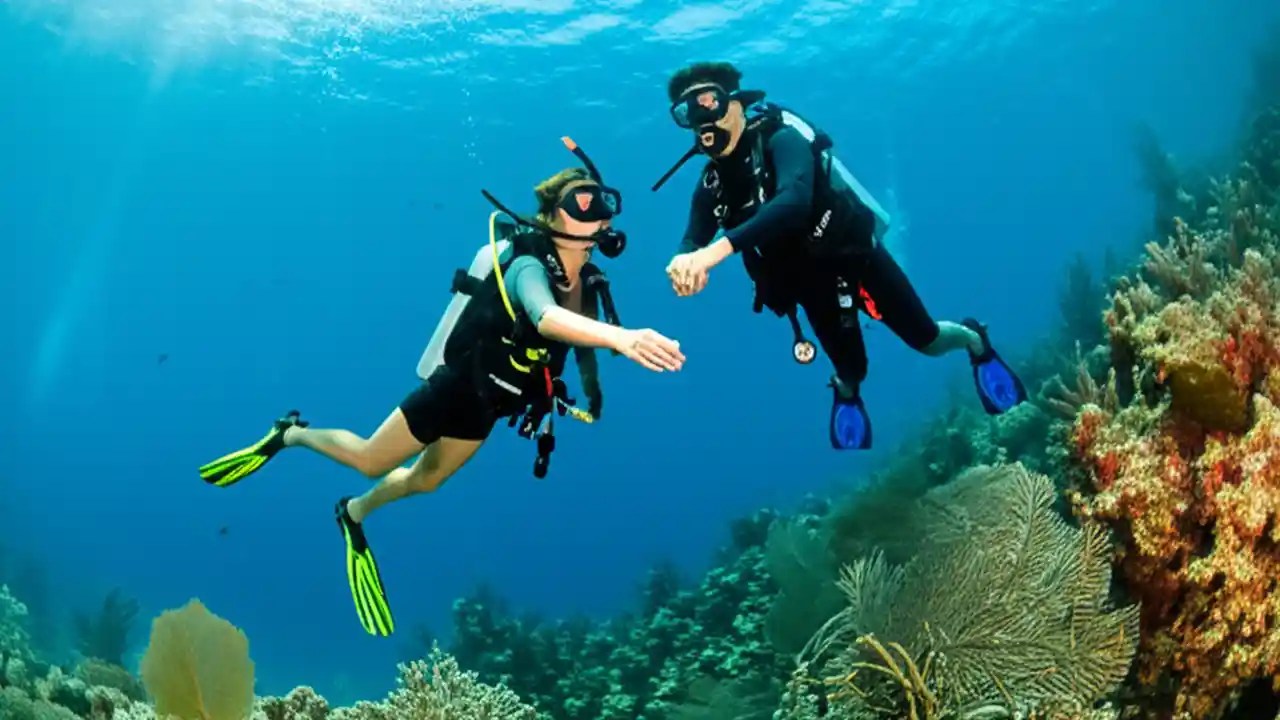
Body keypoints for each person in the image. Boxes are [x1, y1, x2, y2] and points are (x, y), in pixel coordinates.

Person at [197, 138, 686, 637]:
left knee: (426, 480)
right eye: (581, 203)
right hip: (456, 387)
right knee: (370, 460)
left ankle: (353, 513)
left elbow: (558, 345)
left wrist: (560, 392)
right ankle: (290, 433)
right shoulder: (528, 265)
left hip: (492, 403)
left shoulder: (590, 279)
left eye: (602, 202)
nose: (597, 213)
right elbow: (544, 316)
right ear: (551, 216)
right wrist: (624, 337)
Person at [654, 62, 1026, 450]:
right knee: (852, 369)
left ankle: (974, 339)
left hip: (856, 259)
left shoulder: (781, 141)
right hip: (808, 288)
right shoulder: (712, 184)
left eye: (708, 101)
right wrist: (683, 261)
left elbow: (795, 200)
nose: (700, 119)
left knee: (927, 340)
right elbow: (693, 236)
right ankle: (845, 391)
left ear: (736, 103)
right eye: (687, 111)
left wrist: (715, 252)